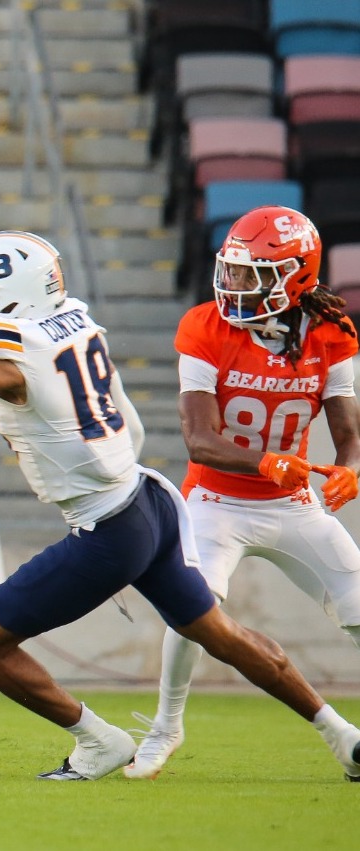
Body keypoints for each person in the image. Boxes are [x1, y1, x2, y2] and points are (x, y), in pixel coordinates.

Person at [0, 230, 360, 781]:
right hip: (149, 498)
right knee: (222, 634)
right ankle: (340, 735)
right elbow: (128, 423)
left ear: (8, 297)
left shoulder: (13, 349)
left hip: (109, 527)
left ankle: (98, 740)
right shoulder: (76, 321)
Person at [127, 206, 360, 779]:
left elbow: (348, 433)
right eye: (232, 271)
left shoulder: (333, 331)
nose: (235, 286)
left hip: (291, 504)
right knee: (192, 610)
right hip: (214, 502)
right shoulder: (204, 327)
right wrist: (267, 461)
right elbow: (199, 440)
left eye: (253, 275)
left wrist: (351, 468)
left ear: (296, 276)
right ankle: (165, 727)